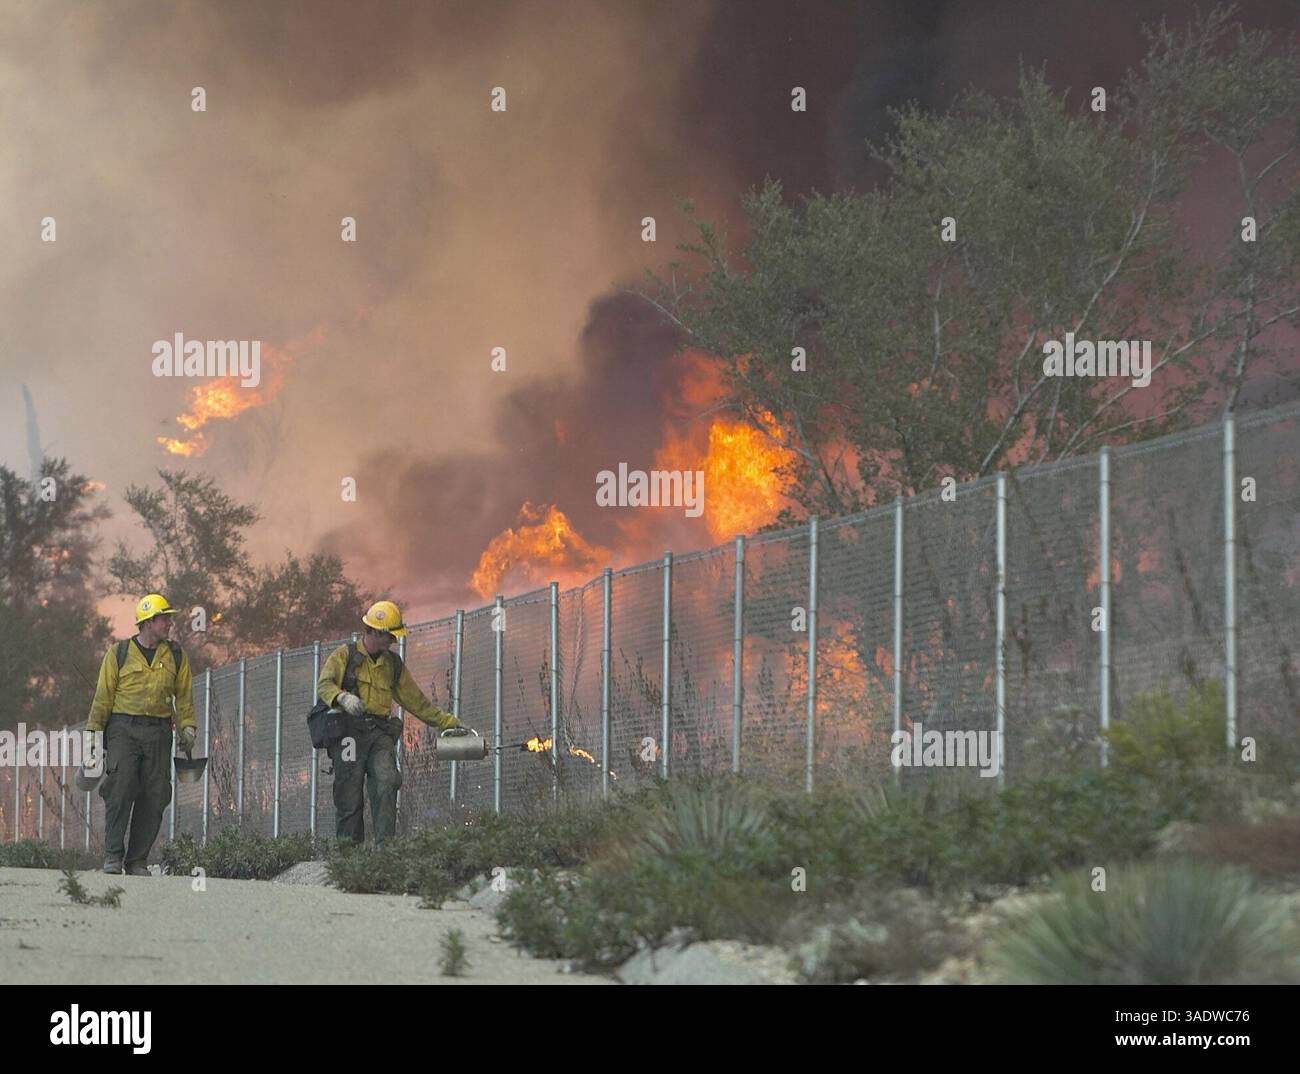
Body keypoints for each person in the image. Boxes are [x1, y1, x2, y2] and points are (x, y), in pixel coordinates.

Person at [316, 600, 461, 844]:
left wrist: (448, 722)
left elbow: (415, 700)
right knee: (349, 796)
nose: (393, 641)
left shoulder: (392, 664)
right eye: (390, 636)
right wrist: (342, 697)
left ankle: (386, 855)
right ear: (374, 632)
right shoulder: (344, 655)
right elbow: (324, 684)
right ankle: (348, 860)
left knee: (387, 782)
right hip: (349, 734)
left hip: (379, 735)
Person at [86, 593, 195, 875]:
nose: (169, 623)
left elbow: (183, 697)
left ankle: (136, 861)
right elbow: (103, 696)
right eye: (164, 618)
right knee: (120, 788)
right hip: (123, 729)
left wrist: (188, 727)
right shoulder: (119, 654)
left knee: (156, 794)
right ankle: (112, 856)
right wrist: (94, 734)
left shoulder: (176, 655)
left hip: (159, 732)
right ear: (148, 622)